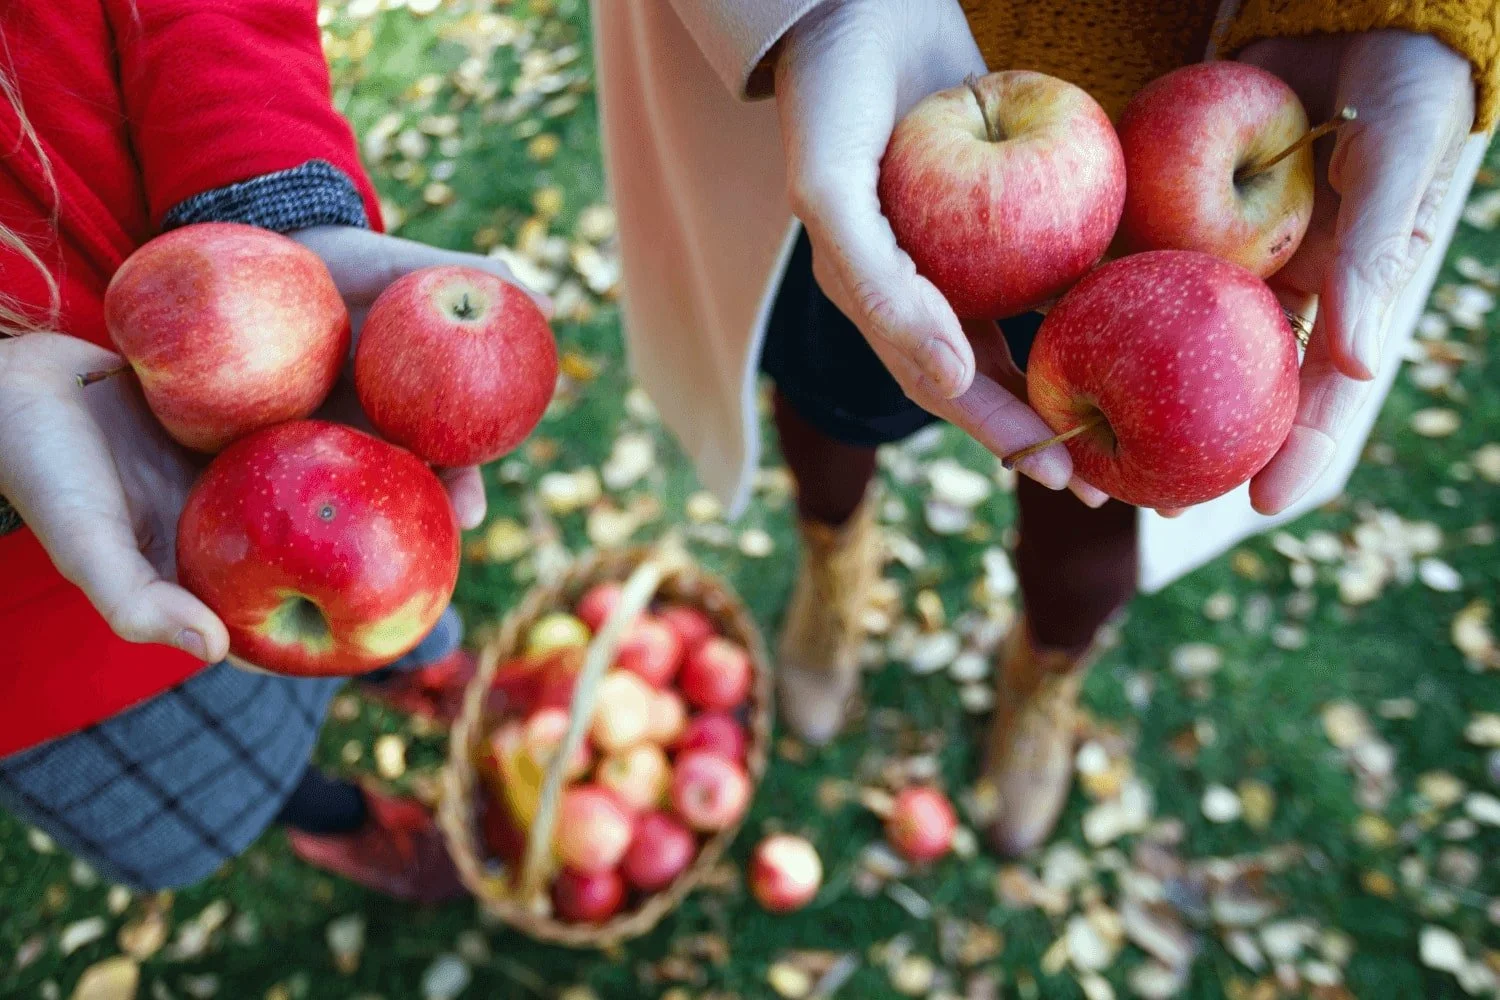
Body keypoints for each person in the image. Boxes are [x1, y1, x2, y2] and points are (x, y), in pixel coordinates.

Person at [594, 0, 1496, 852]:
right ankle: (834, 562)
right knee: (833, 398)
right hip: (880, 120)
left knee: (1102, 502)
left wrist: (1420, 13)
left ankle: (1044, 672)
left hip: (1185, 196)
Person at [0, 0, 534, 900]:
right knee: (212, 772)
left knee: (378, 589)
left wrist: (266, 210)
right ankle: (339, 820)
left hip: (303, 450)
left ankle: (422, 672)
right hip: (30, 622)